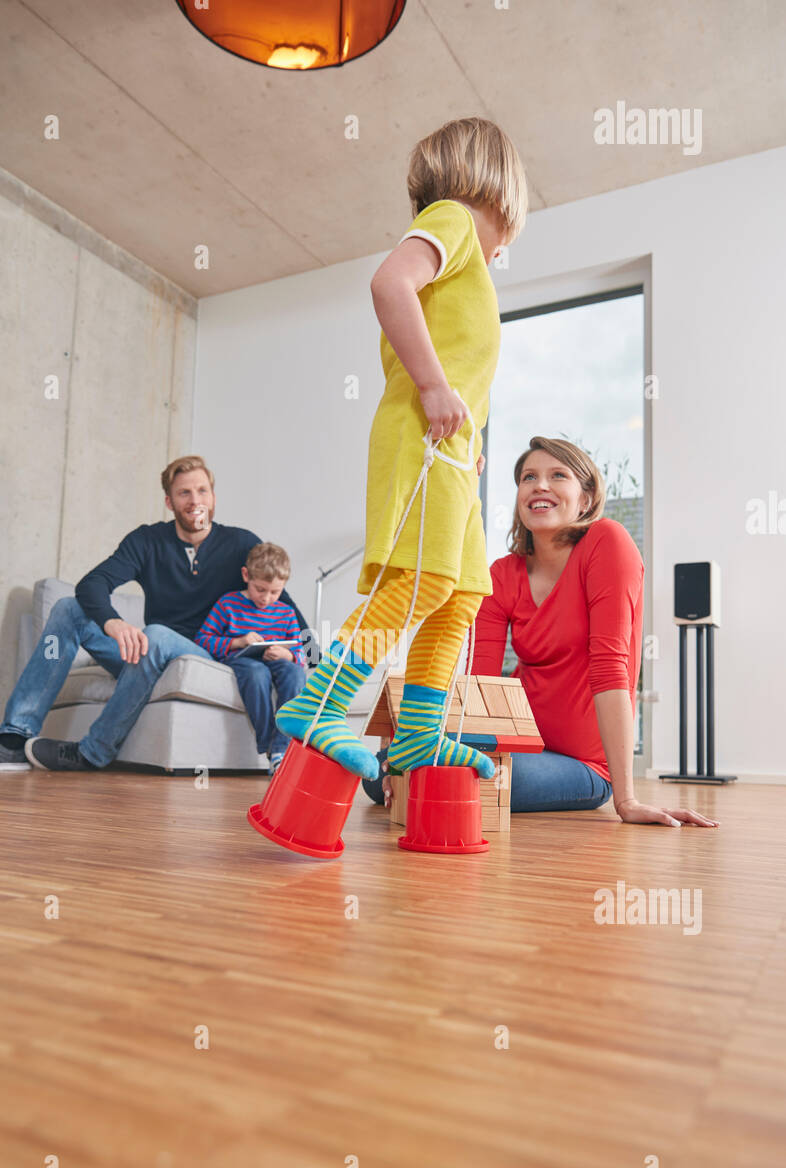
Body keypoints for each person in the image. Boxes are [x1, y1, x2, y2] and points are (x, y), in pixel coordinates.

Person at [275, 116, 528, 787]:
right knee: (422, 582)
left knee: (463, 594)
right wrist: (436, 388)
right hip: (424, 437)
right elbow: (390, 285)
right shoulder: (454, 221)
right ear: (499, 188)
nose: (508, 239)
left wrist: (469, 441)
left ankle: (417, 737)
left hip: (453, 455)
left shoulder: (471, 258)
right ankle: (319, 706)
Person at [365, 437, 718, 829]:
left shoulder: (607, 542)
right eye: (528, 477)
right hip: (516, 746)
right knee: (379, 769)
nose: (540, 486)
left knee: (440, 775)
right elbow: (475, 683)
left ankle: (416, 776)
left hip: (584, 766)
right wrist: (408, 746)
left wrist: (626, 799)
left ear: (585, 499)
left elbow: (611, 667)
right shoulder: (501, 574)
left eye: (557, 475)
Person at [0, 457, 309, 772]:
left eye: (202, 491)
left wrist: (308, 655)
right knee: (70, 609)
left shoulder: (241, 543)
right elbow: (92, 584)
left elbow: (284, 606)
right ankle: (13, 739)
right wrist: (113, 623)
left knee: (159, 634)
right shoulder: (147, 541)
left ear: (213, 497)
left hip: (206, 653)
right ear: (169, 501)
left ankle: (93, 753)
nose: (195, 500)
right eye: (184, 492)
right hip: (146, 654)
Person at [194, 542, 306, 775]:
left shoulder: (286, 613)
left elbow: (301, 653)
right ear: (246, 575)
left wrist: (288, 654)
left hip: (276, 659)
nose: (266, 598)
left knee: (294, 672)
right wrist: (239, 642)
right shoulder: (228, 604)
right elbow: (203, 640)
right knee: (257, 673)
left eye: (275, 592)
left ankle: (280, 749)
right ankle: (269, 745)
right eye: (260, 589)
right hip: (243, 660)